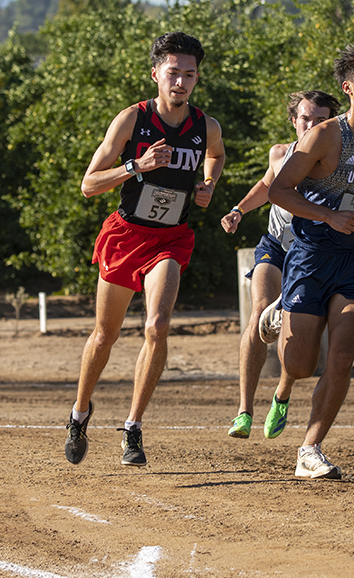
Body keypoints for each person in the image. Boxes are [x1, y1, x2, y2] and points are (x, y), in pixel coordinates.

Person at [64, 31, 225, 467]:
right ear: (156, 74)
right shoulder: (131, 120)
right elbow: (88, 185)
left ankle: (132, 427)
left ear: (196, 78)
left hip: (170, 239)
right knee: (106, 335)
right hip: (126, 235)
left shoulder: (206, 126)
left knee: (157, 326)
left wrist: (209, 184)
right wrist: (136, 165)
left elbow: (216, 154)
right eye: (173, 72)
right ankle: (79, 413)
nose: (181, 81)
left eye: (189, 74)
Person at [266, 38, 354, 479]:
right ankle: (283, 370)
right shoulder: (325, 135)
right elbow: (279, 191)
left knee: (343, 357)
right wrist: (328, 215)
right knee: (301, 364)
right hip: (311, 256)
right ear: (348, 86)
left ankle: (310, 449)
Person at [220, 90, 342, 441]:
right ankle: (244, 410)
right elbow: (266, 184)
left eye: (321, 120)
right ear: (294, 121)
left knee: (295, 330)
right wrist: (239, 210)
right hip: (276, 247)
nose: (311, 125)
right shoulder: (279, 153)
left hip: (314, 255)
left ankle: (282, 393)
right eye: (305, 118)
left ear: (332, 124)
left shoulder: (339, 163)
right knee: (259, 311)